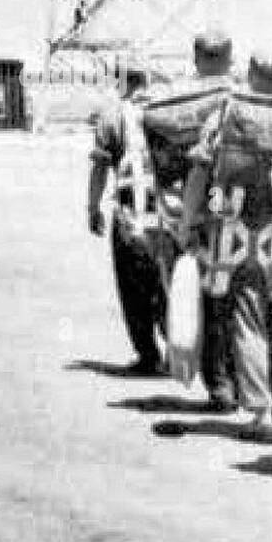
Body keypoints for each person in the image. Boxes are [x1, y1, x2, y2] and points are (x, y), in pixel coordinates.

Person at [181, 53, 272, 442]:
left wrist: (187, 222)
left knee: (246, 318)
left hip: (233, 233)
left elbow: (200, 172)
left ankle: (261, 411)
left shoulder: (227, 112)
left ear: (250, 73)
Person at [87, 63, 164, 374]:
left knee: (133, 288)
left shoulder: (111, 116)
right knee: (165, 283)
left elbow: (100, 167)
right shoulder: (166, 111)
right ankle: (180, 351)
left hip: (130, 213)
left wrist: (92, 207)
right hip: (167, 213)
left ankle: (149, 356)